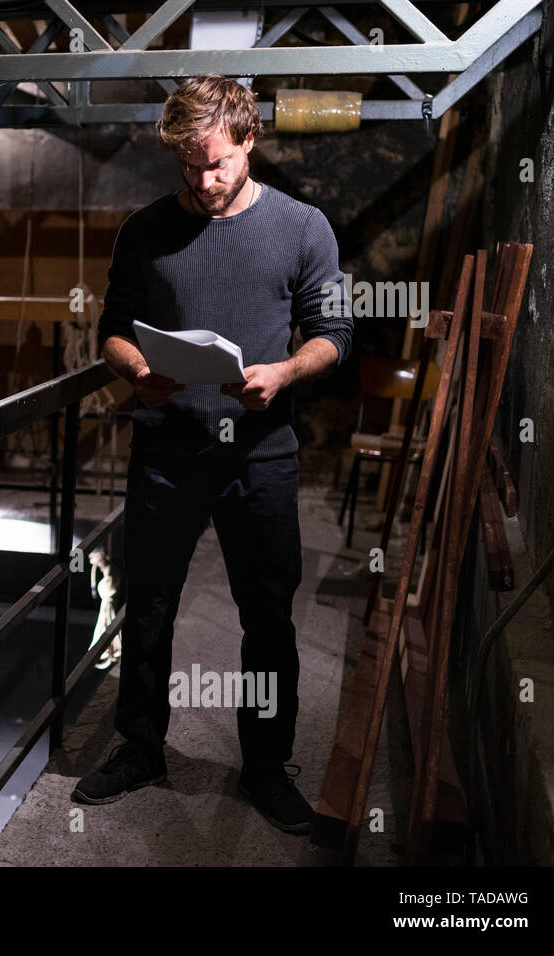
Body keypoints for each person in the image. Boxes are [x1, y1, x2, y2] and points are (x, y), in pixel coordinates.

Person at [70, 75, 353, 835]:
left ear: (250, 140)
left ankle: (266, 768)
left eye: (218, 164)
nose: (203, 182)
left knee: (266, 616)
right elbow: (113, 330)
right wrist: (135, 370)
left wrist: (286, 371)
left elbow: (337, 333)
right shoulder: (144, 231)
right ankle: (140, 748)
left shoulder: (302, 227)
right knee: (150, 605)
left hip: (260, 455)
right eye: (188, 168)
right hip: (166, 452)